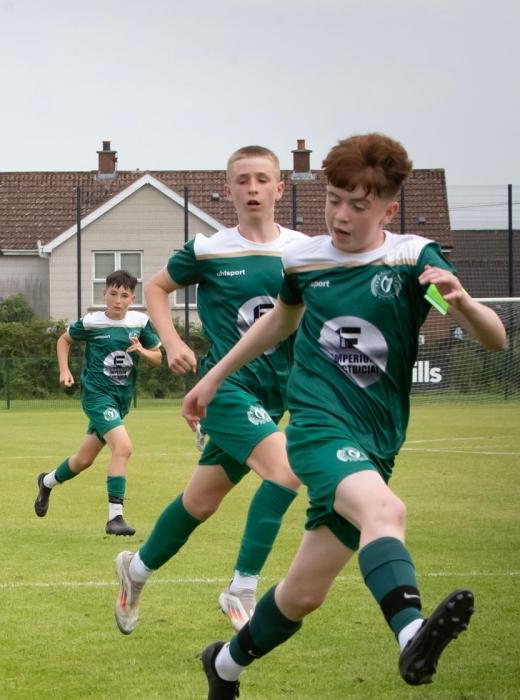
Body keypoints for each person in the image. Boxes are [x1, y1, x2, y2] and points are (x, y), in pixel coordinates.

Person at [182, 133, 507, 698]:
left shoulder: (412, 259)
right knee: (386, 509)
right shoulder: (304, 261)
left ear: (388, 208)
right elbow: (279, 322)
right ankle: (411, 636)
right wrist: (212, 378)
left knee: (303, 593)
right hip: (318, 428)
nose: (341, 215)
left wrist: (464, 302)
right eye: (334, 199)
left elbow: (496, 340)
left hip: (377, 442)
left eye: (359, 205)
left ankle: (224, 666)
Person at [112, 146, 307, 635]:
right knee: (285, 473)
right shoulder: (208, 249)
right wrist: (173, 341)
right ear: (229, 190)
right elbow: (156, 289)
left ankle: (134, 571)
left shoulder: (304, 251)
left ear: (280, 189)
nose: (253, 189)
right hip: (225, 389)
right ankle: (242, 587)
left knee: (200, 502)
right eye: (243, 180)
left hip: (273, 398)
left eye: (263, 179)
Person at [33, 270, 162, 536]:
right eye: (113, 294)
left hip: (120, 400)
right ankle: (115, 517)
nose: (117, 300)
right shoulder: (92, 321)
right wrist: (64, 370)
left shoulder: (140, 322)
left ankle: (46, 482)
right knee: (124, 448)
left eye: (124, 295)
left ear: (132, 298)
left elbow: (158, 357)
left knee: (83, 460)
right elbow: (64, 340)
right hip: (96, 395)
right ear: (104, 294)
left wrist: (142, 351)